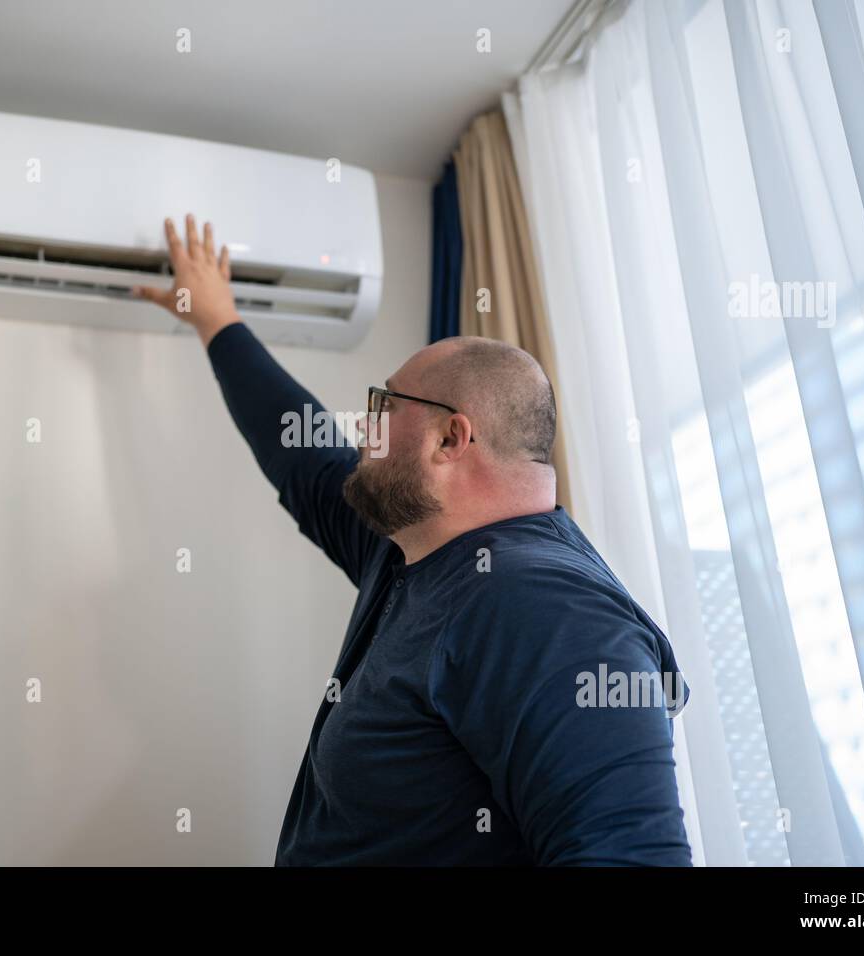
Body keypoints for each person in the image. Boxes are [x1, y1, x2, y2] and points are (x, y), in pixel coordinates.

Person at [137, 214, 693, 866]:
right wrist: (217, 320)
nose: (365, 428)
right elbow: (307, 461)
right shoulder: (413, 547)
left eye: (383, 407)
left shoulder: (544, 609)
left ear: (450, 439)